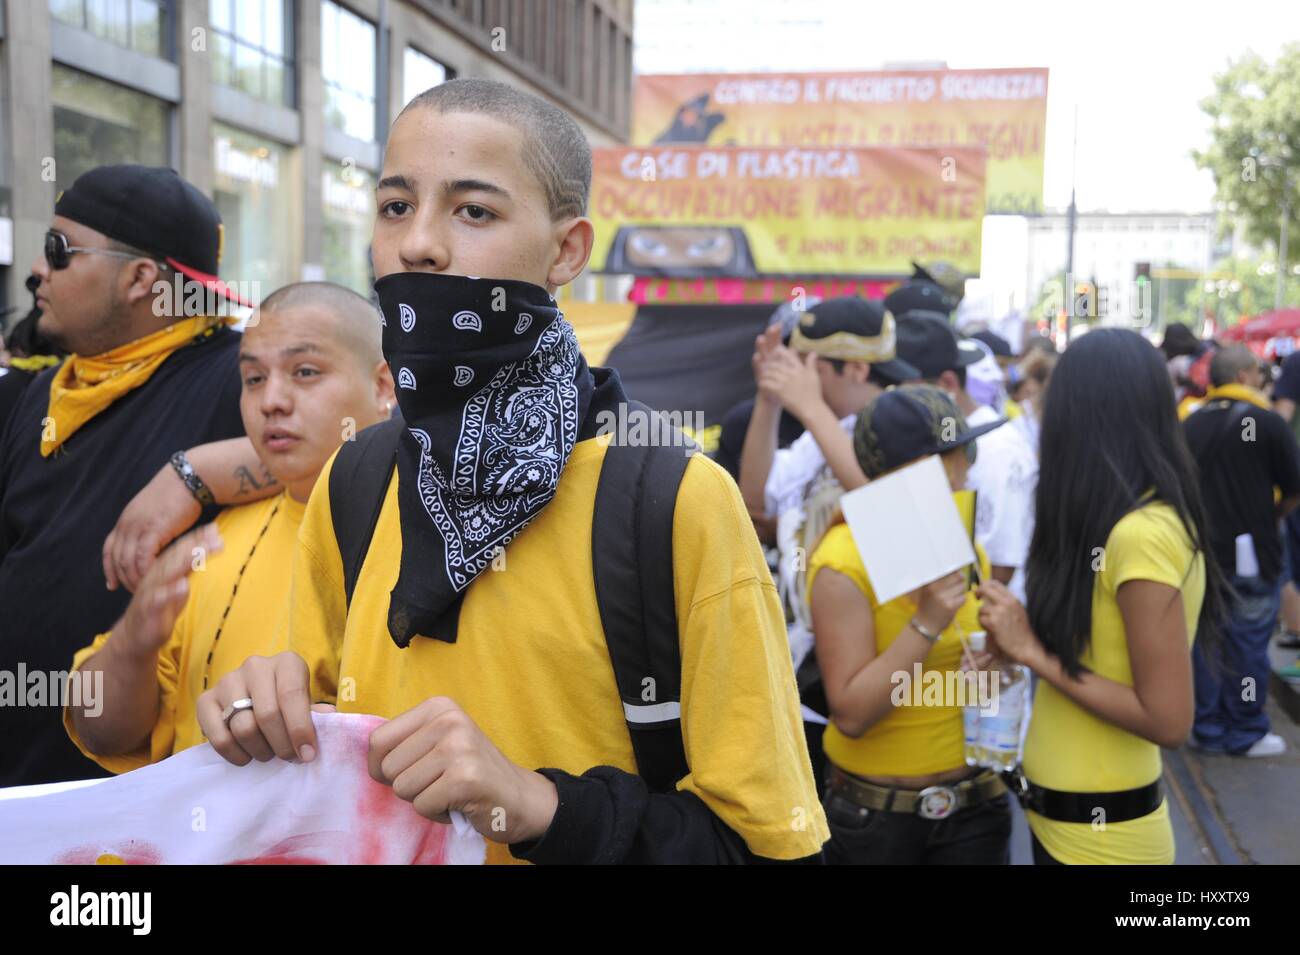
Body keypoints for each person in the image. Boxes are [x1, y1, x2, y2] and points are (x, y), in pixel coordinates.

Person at [127, 78, 826, 864]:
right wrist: (264, 718)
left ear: (567, 250)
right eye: (395, 206)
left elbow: (769, 846)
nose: (418, 243)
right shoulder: (356, 481)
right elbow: (317, 771)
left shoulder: (673, 499)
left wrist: (542, 806)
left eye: (474, 211)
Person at [63, 283, 394, 771]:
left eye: (305, 372)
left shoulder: (434, 534)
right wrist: (133, 642)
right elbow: (100, 729)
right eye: (254, 379)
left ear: (384, 386)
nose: (271, 401)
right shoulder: (211, 546)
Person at [0, 165, 251, 787]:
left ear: (141, 278)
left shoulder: (235, 377)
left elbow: (352, 440)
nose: (37, 268)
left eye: (59, 250)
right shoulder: (40, 393)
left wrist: (196, 473)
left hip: (128, 800)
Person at [975, 328, 1226, 865]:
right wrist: (1013, 647)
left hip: (1104, 842)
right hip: (1063, 827)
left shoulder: (1143, 533)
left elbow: (1168, 719)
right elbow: (1092, 660)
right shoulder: (1105, 523)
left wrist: (1033, 652)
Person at [810, 384, 1011, 864]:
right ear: (923, 472)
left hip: (975, 811)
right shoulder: (843, 561)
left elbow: (982, 680)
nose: (969, 466)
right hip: (876, 823)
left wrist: (1004, 653)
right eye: (960, 452)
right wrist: (927, 622)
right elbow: (853, 714)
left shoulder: (964, 548)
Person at [739, 297, 918, 782]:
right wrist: (769, 401)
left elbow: (896, 521)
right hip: (806, 670)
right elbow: (756, 503)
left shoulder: (906, 427)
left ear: (857, 369)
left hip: (874, 676)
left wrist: (810, 407)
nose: (793, 376)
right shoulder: (825, 430)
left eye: (805, 366)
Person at [1183, 344, 1300, 757]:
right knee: (1248, 642)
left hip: (1200, 554)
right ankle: (1246, 730)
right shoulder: (1267, 423)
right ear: (1248, 373)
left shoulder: (1189, 423)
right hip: (1253, 553)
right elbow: (1294, 487)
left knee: (1206, 641)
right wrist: (1271, 514)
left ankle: (1209, 727)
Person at [896, 313, 1038, 603]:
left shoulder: (995, 450)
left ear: (947, 384)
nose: (890, 401)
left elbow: (999, 568)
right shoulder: (947, 438)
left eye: (900, 390)